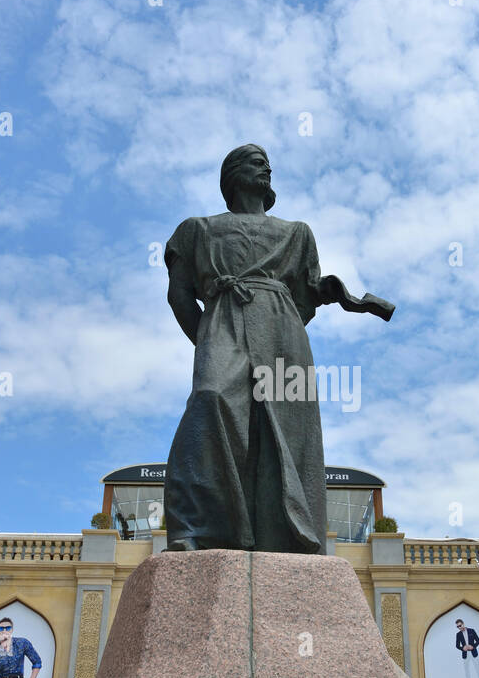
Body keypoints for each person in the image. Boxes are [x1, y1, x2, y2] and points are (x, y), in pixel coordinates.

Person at [162, 144, 393, 553]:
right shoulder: (197, 229)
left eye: (268, 164)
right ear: (233, 175)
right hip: (223, 318)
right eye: (256, 163)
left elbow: (305, 297)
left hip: (282, 329)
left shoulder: (297, 233)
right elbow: (179, 295)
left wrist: (337, 294)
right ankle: (197, 528)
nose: (266, 169)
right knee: (210, 398)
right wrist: (209, 341)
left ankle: (287, 535)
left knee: (289, 428)